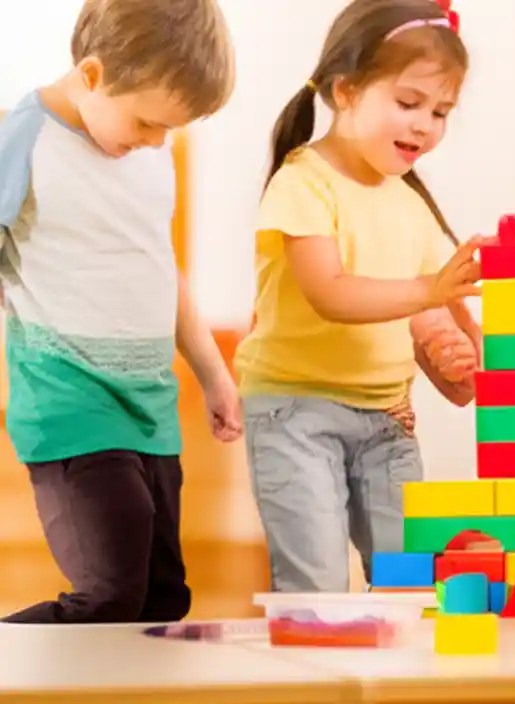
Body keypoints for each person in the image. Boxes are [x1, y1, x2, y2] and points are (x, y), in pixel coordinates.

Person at [0, 0, 239, 633]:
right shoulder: (23, 139)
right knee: (112, 594)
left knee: (161, 602)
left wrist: (214, 374)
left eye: (171, 129)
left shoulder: (146, 150)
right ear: (91, 76)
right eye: (148, 122)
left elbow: (161, 269)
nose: (157, 141)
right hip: (70, 404)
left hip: (152, 410)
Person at [233, 0, 482, 595]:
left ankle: (391, 689)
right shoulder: (303, 182)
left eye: (441, 111)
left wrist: (454, 354)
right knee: (315, 583)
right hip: (296, 413)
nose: (425, 125)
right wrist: (430, 291)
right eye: (408, 103)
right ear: (345, 91)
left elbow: (430, 324)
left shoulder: (409, 203)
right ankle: (287, 693)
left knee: (411, 579)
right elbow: (331, 293)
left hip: (387, 419)